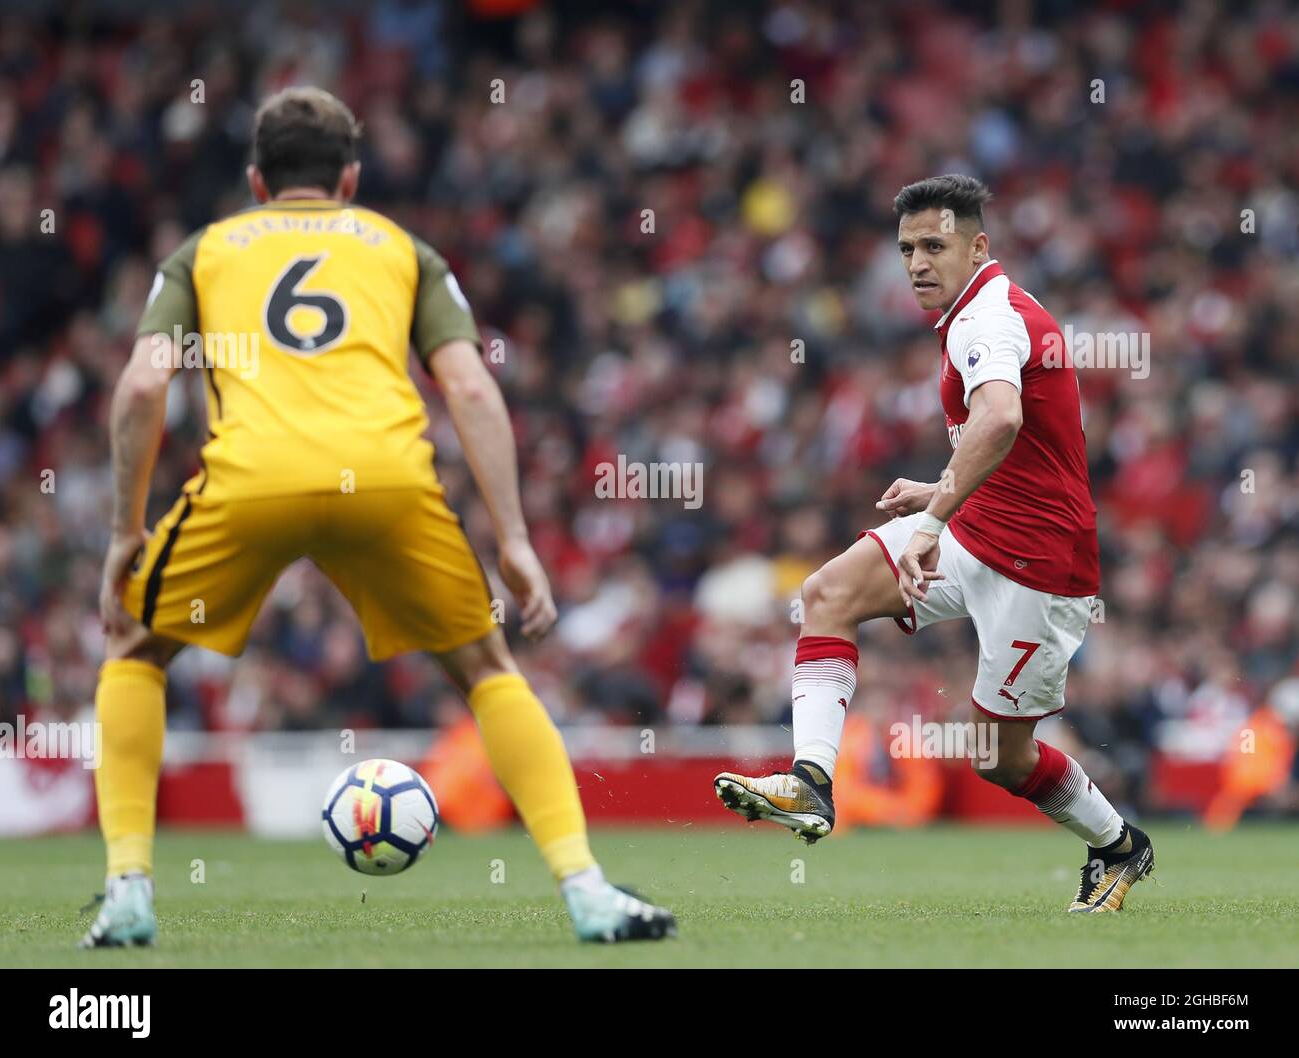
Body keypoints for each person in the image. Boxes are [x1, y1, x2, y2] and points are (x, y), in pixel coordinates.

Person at [85, 86, 674, 947]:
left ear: (256, 181)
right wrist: (512, 539)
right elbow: (470, 385)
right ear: (351, 178)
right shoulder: (401, 247)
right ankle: (586, 889)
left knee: (135, 651)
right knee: (485, 668)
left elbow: (141, 384)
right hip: (388, 482)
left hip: (251, 480)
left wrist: (123, 532)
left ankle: (129, 888)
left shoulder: (203, 251)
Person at [715, 174, 1154, 913]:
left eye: (934, 245)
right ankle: (812, 783)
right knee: (827, 593)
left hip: (1038, 571)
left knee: (998, 759)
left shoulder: (988, 319)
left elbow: (1002, 420)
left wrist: (930, 520)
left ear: (977, 245)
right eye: (907, 248)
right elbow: (1017, 445)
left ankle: (1119, 847)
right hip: (981, 529)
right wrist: (941, 495)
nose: (918, 263)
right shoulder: (982, 311)